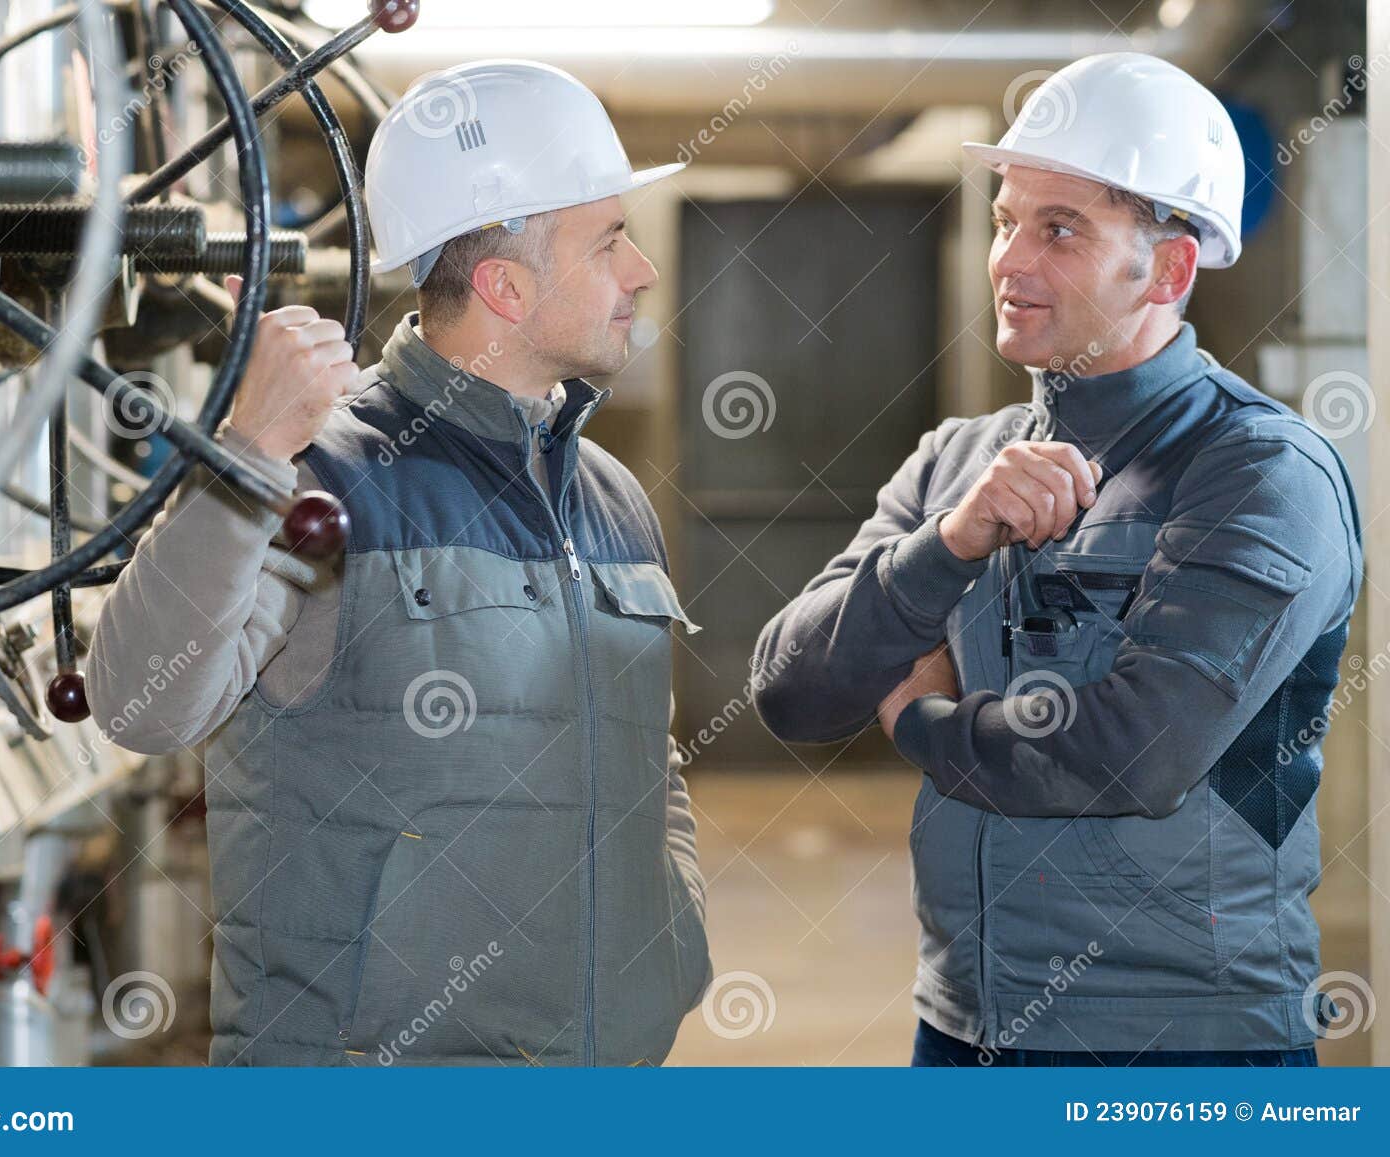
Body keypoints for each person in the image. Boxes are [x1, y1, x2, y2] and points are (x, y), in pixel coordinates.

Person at [88, 60, 710, 1066]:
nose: (639, 269)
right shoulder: (316, 475)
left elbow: (649, 760)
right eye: (608, 240)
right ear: (505, 286)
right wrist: (246, 452)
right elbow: (140, 705)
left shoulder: (609, 493)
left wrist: (668, 929)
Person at [751, 52, 1361, 1066]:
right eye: (1004, 219)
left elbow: (1137, 751)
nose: (1009, 260)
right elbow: (790, 694)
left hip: (1183, 1048)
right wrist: (945, 548)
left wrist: (921, 719)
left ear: (1167, 269)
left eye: (1060, 229)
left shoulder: (1256, 469)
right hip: (960, 1025)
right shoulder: (955, 461)